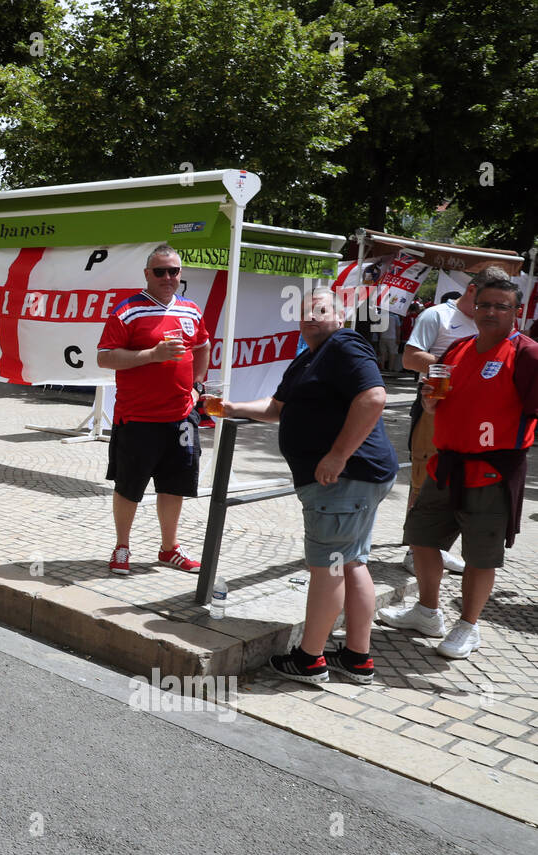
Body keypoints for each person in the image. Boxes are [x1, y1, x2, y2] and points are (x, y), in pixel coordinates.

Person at [220, 288, 398, 684]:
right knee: (351, 563)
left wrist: (337, 455)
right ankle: (356, 658)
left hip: (343, 481)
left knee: (329, 568)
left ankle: (310, 659)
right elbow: (277, 409)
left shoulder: (344, 344)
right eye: (304, 313)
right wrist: (229, 408)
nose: (311, 317)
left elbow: (373, 398)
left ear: (341, 315)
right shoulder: (309, 358)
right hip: (352, 482)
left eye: (321, 310)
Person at [378, 278, 537, 660]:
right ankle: (427, 612)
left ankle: (468, 626)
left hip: (493, 470)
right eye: (485, 304)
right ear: (473, 306)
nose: (492, 312)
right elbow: (438, 393)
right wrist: (431, 406)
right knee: (422, 538)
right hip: (446, 462)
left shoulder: (527, 353)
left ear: (516, 311)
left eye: (501, 306)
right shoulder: (458, 347)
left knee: (481, 554)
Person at [96, 244, 210, 575]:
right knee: (129, 485)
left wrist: (197, 387)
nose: (167, 277)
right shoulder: (127, 310)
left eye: (173, 271)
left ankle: (169, 548)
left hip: (181, 417)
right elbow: (104, 357)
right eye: (159, 271)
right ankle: (122, 546)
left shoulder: (190, 309)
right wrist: (151, 355)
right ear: (147, 274)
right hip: (139, 417)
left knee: (175, 484)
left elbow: (202, 347)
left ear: (180, 273)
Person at [398, 269, 510, 574]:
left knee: (456, 481)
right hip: (435, 408)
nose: (490, 307)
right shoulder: (437, 316)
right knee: (423, 477)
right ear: (472, 290)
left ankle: (438, 548)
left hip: (474, 418)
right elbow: (409, 358)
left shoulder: (489, 321)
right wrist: (458, 369)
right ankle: (414, 550)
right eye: (486, 299)